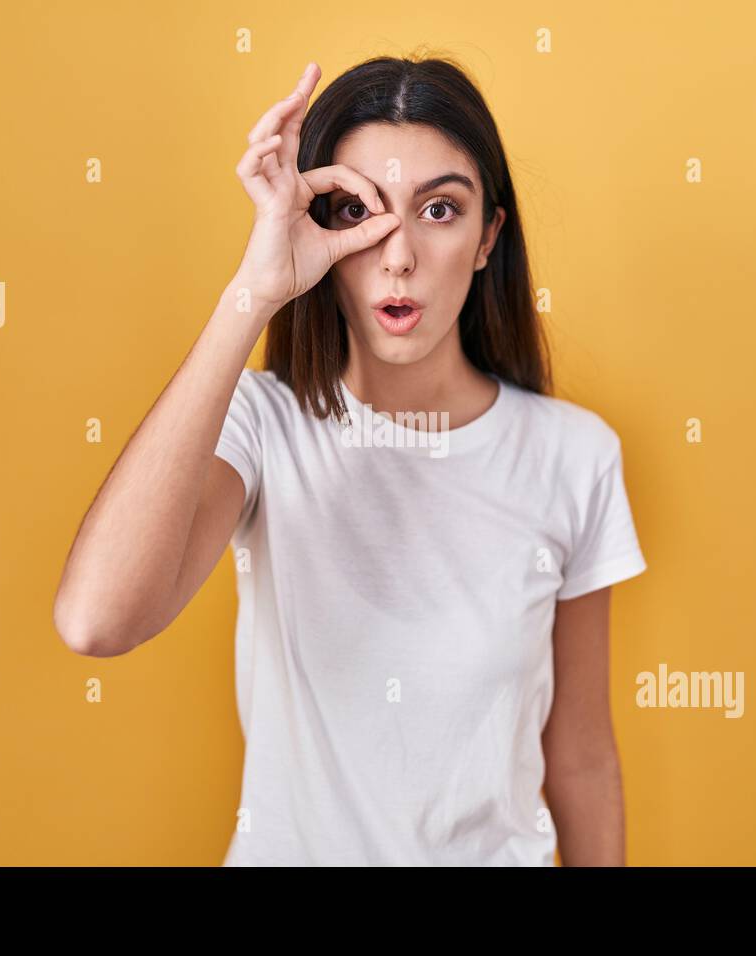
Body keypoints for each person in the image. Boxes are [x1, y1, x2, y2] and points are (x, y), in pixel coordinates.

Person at [53, 56, 648, 866]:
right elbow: (96, 621)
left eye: (440, 209)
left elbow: (580, 756)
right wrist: (254, 292)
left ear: (488, 239)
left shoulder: (574, 455)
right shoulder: (265, 425)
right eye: (356, 211)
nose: (397, 256)